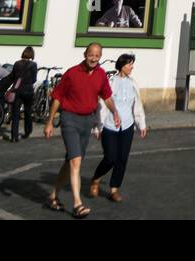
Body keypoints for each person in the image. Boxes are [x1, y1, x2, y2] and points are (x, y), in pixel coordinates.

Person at [45, 43, 119, 219]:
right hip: (70, 119)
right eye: (91, 54)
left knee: (71, 161)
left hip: (87, 121)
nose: (93, 58)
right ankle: (78, 204)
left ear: (100, 57)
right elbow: (57, 98)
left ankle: (53, 195)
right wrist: (49, 122)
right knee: (76, 161)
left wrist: (114, 111)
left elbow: (106, 96)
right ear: (85, 54)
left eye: (97, 55)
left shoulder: (101, 74)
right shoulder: (72, 73)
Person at [89, 54, 147, 202]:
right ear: (121, 65)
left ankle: (114, 189)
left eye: (132, 64)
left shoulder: (133, 83)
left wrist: (142, 124)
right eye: (129, 64)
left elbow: (137, 105)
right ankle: (96, 178)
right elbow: (101, 106)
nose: (132, 67)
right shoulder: (110, 82)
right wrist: (97, 127)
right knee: (110, 158)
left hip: (127, 126)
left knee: (122, 159)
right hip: (109, 125)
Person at [4, 46, 37, 142]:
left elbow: (13, 76)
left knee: (15, 113)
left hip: (17, 90)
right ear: (32, 55)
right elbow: (34, 79)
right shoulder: (33, 65)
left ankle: (14, 136)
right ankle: (27, 131)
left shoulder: (17, 63)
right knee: (28, 111)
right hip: (28, 90)